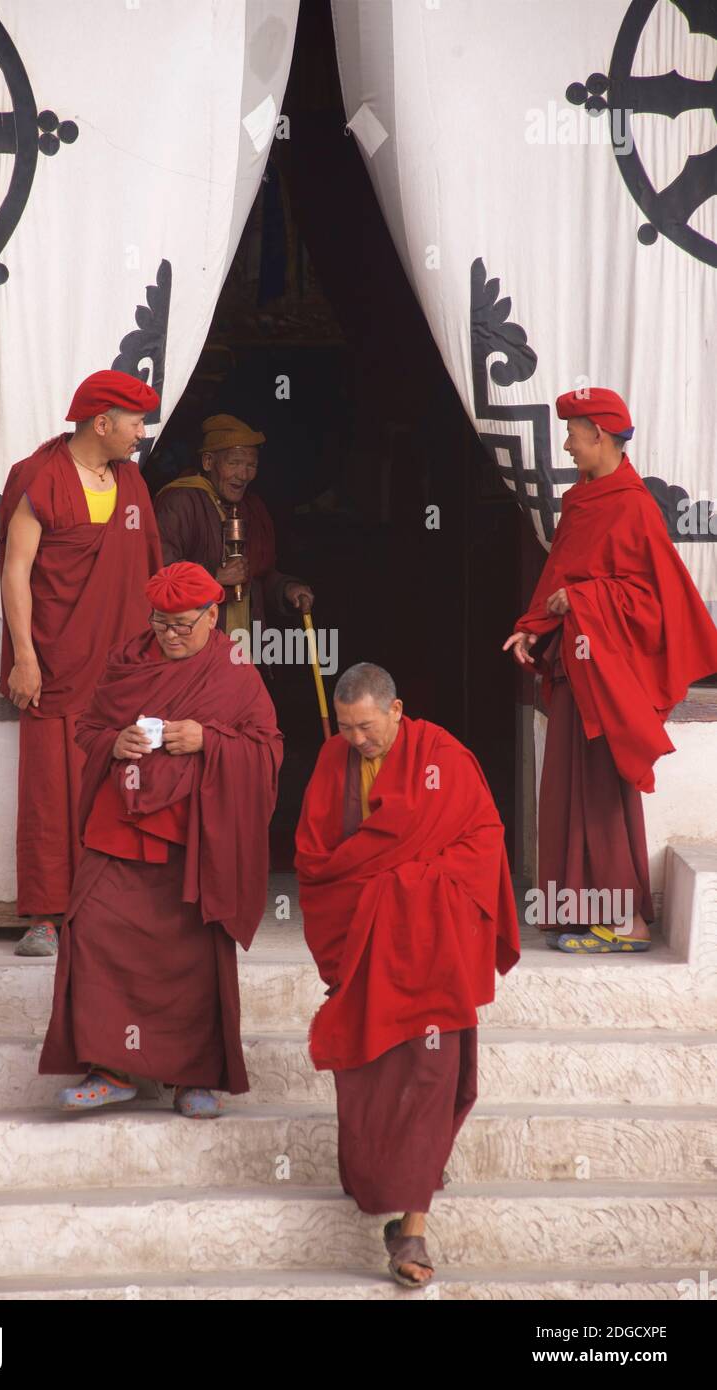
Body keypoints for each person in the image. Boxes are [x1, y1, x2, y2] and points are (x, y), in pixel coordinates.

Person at [294, 663, 519, 1287]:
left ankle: (412, 1231)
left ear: (396, 711)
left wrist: (403, 886)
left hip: (430, 954)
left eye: (367, 726)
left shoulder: (445, 758)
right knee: (364, 1078)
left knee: (428, 1077)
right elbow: (315, 860)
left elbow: (484, 840)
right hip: (367, 953)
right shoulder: (331, 762)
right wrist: (372, 895)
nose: (357, 740)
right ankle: (377, 1185)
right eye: (346, 729)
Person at [38, 561, 283, 1117]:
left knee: (192, 952)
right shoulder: (128, 661)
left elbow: (267, 748)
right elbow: (89, 728)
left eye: (184, 626)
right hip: (120, 824)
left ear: (213, 615)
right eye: (161, 623)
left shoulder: (234, 669)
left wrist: (208, 739)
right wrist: (115, 741)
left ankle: (193, 1077)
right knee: (93, 927)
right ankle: (108, 1068)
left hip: (193, 835)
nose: (171, 636)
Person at [504, 388, 717, 954]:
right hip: (577, 671)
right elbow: (559, 577)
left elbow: (656, 603)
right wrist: (534, 626)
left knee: (601, 794)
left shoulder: (633, 506)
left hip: (608, 678)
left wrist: (585, 602)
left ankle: (628, 922)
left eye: (573, 433)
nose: (567, 445)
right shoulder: (581, 502)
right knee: (568, 793)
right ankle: (584, 911)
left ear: (599, 433)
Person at [0, 370, 163, 957]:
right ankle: (45, 915)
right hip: (55, 661)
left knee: (118, 783)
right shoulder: (40, 477)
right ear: (103, 422)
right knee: (50, 784)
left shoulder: (132, 484)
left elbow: (146, 571)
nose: (141, 433)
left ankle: (111, 906)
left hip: (119, 666)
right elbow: (16, 570)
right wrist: (25, 657)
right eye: (136, 422)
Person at [153, 413, 314, 635]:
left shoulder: (252, 508)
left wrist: (286, 588)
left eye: (251, 465)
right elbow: (160, 574)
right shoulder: (180, 501)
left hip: (244, 640)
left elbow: (259, 576)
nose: (243, 474)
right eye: (234, 463)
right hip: (194, 640)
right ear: (208, 462)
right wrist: (214, 576)